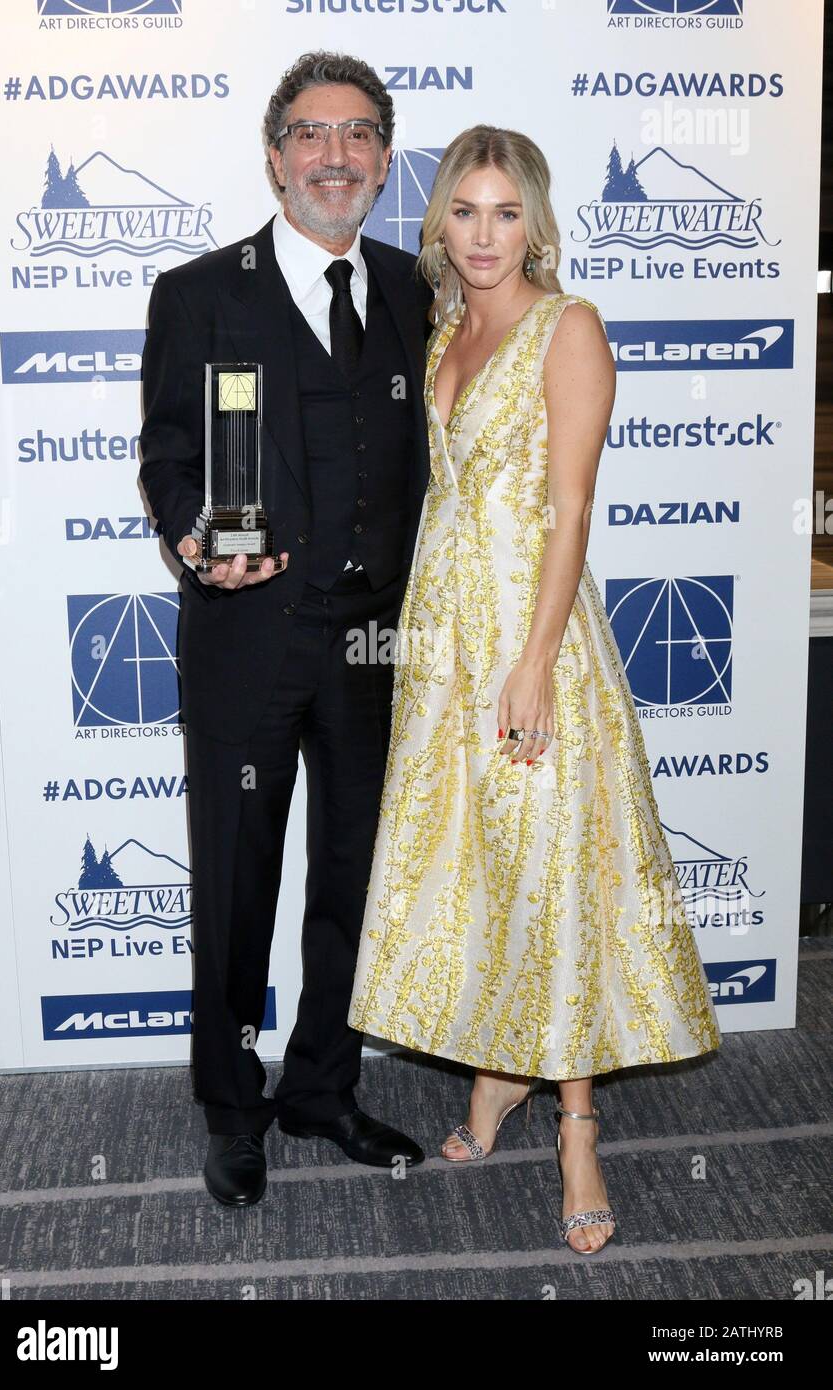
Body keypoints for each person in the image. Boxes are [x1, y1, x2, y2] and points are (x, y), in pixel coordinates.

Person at [348, 125, 722, 1253]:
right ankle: (497, 1070)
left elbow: (570, 509)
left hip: (529, 641)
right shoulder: (445, 326)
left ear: (537, 221)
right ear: (437, 223)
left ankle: (575, 1129)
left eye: (504, 212)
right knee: (474, 869)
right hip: (443, 643)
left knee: (553, 871)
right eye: (462, 210)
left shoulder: (570, 329)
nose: (481, 233)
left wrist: (532, 660)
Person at [139, 50, 432, 1207]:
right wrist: (192, 535)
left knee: (353, 883)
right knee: (236, 878)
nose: (336, 156)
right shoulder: (199, 292)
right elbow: (170, 454)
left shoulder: (417, 287)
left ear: (383, 161)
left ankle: (321, 1086)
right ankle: (230, 1102)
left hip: (374, 646)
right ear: (274, 157)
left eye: (358, 135)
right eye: (312, 134)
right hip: (247, 634)